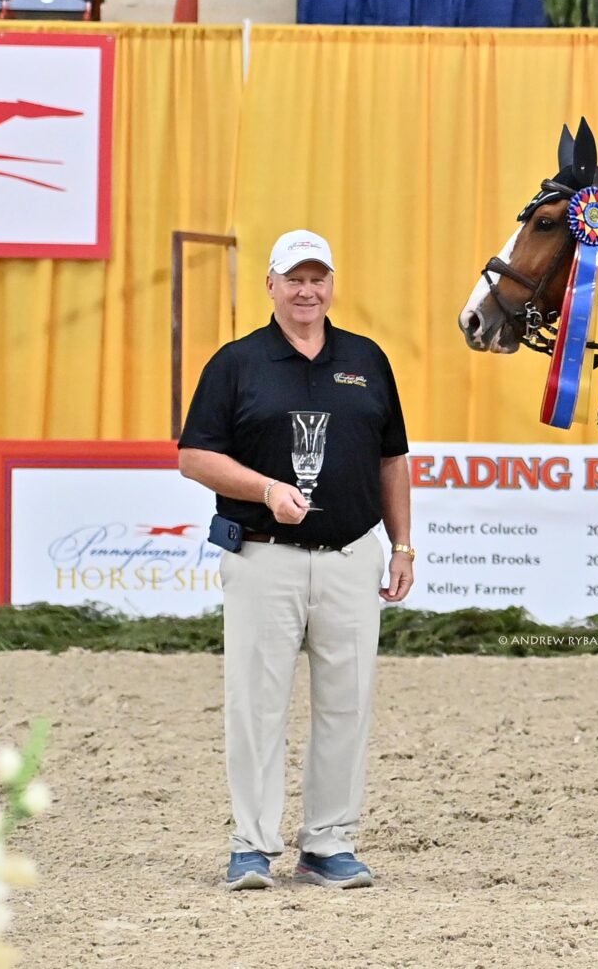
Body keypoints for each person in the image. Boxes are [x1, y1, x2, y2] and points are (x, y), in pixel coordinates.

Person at [178, 229, 416, 891]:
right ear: (271, 285)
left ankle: (327, 843)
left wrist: (401, 544)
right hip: (263, 556)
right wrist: (262, 488)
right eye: (294, 278)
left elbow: (392, 459)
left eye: (318, 277)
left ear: (332, 283)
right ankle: (252, 844)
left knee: (348, 702)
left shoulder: (367, 360)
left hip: (350, 556)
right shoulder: (236, 363)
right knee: (256, 703)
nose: (307, 290)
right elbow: (193, 456)